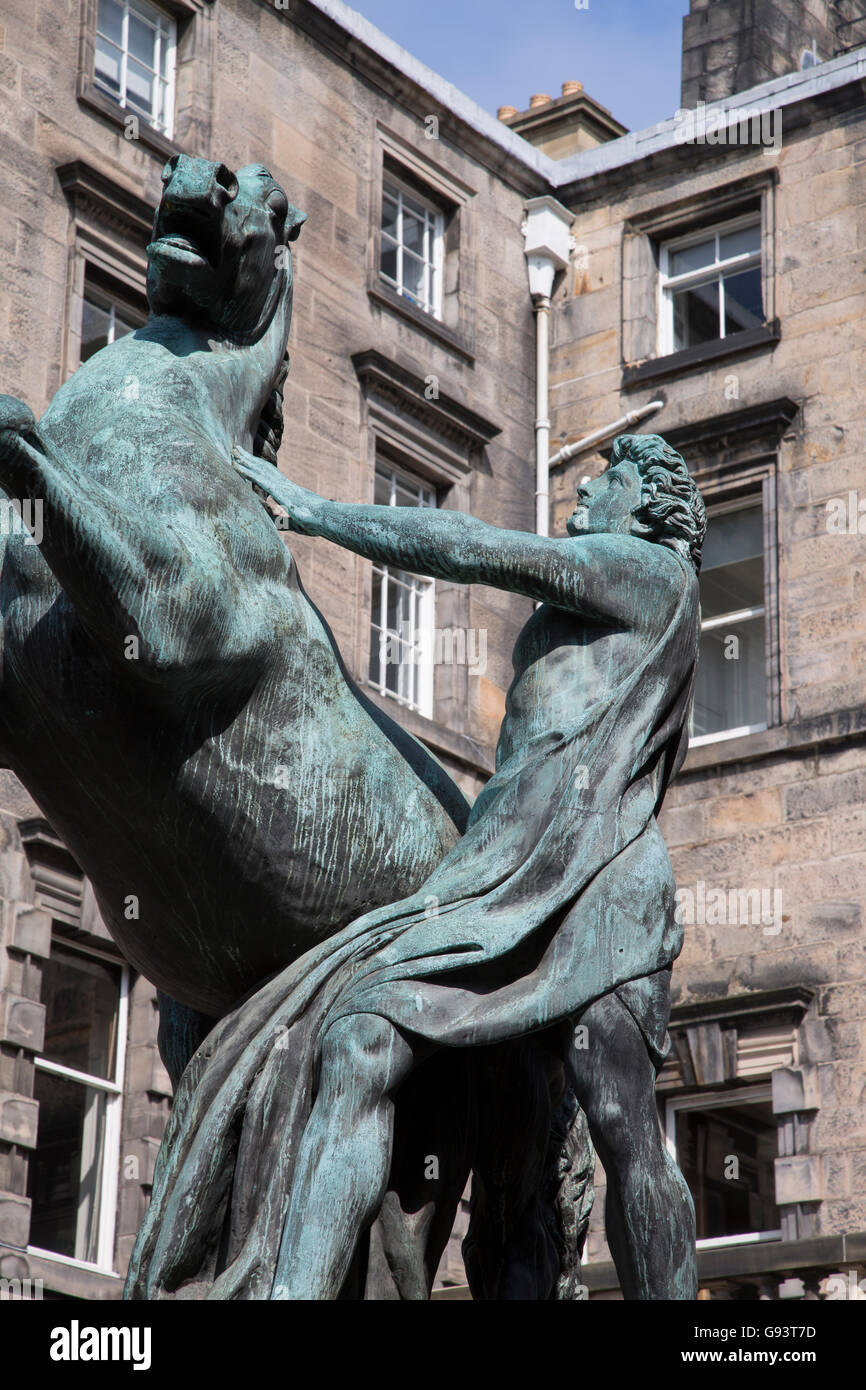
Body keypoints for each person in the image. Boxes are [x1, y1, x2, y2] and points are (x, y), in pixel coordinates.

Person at [170, 431, 705, 1300]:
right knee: (359, 1038)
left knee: (623, 1123)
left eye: (603, 482)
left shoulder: (654, 575)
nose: (582, 495)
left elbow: (477, 550)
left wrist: (316, 512)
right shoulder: (602, 596)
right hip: (492, 876)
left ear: (645, 507)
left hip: (602, 880)